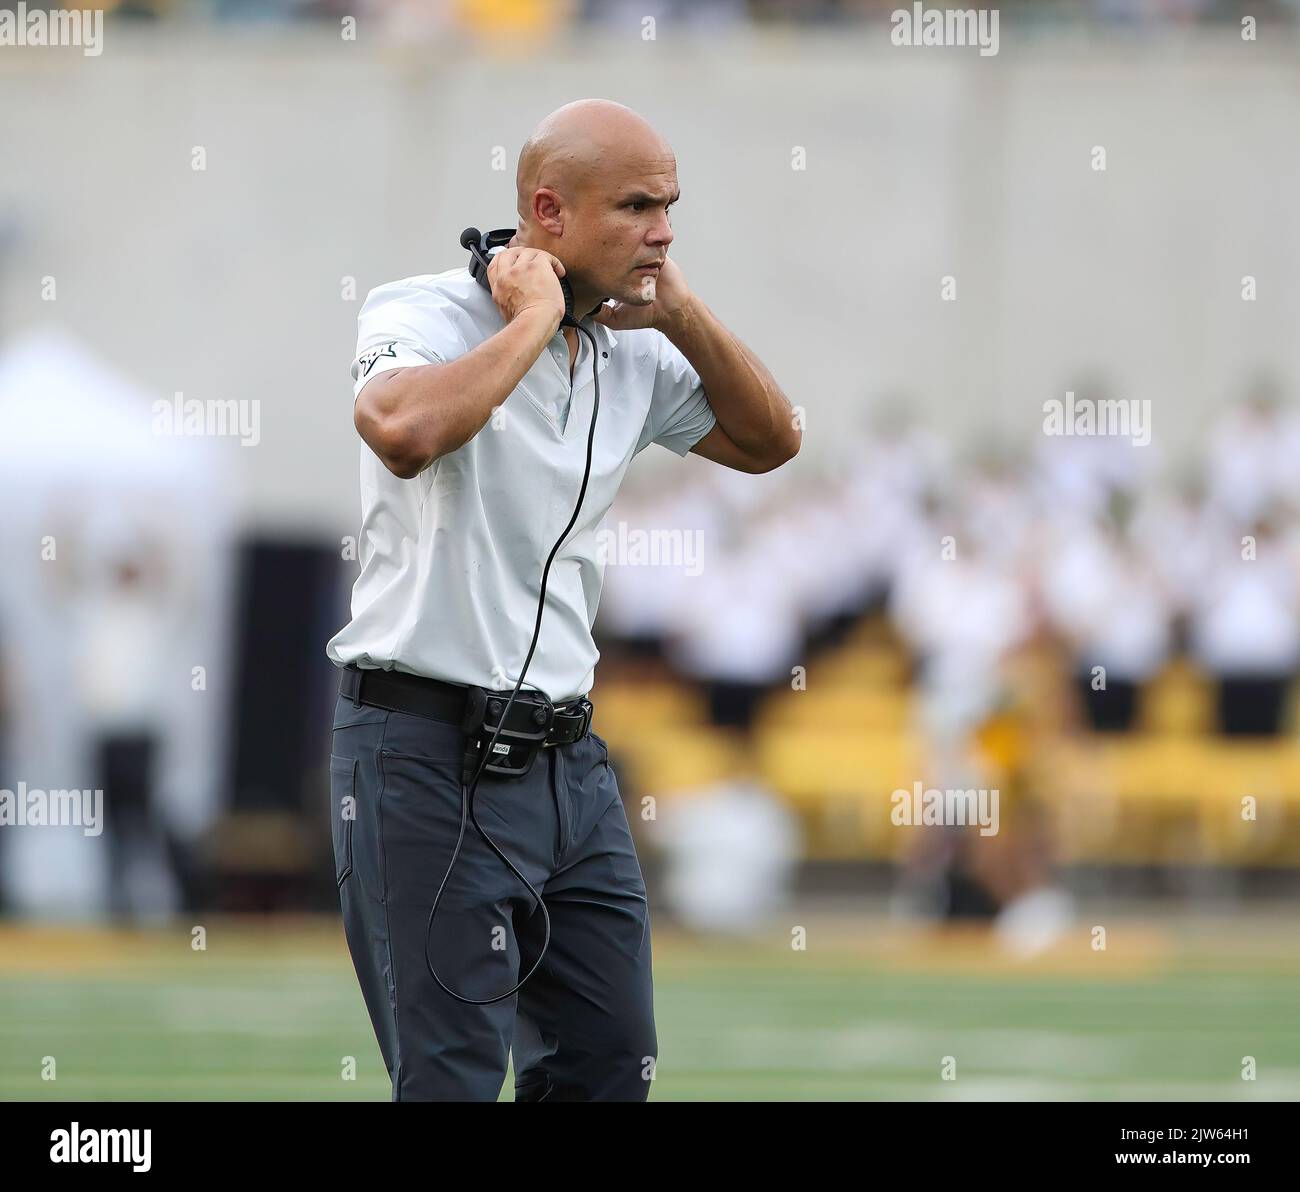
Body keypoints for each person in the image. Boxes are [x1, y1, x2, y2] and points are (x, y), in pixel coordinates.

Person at [325, 99, 800, 1101]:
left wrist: (682, 311)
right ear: (547, 210)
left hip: (570, 766)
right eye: (636, 206)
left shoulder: (633, 340)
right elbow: (401, 429)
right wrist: (534, 319)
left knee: (607, 1066)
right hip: (424, 752)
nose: (663, 229)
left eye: (669, 205)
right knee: (451, 1079)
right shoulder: (416, 309)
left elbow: (771, 440)